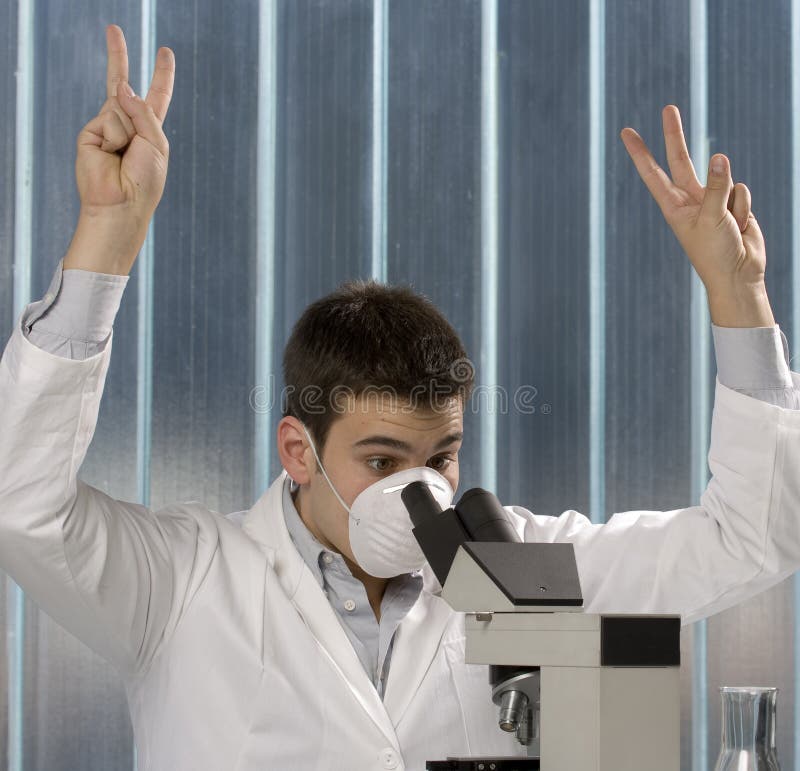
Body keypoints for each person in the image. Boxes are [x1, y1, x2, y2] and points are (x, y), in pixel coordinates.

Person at [1, 22, 799, 771]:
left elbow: (751, 538)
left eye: (440, 457)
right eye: (381, 458)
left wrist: (740, 296)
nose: (419, 491)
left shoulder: (521, 565)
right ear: (297, 449)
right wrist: (108, 233)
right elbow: (22, 507)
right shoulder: (183, 580)